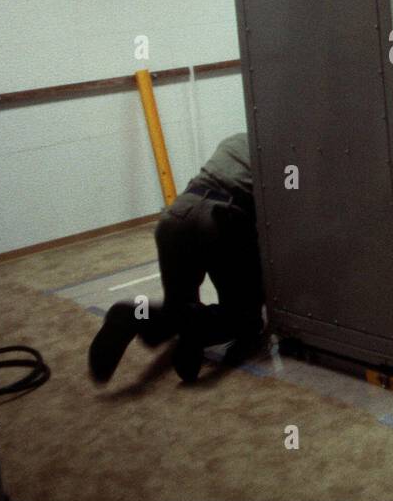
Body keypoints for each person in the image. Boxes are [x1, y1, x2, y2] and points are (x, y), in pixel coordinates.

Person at [89, 133, 264, 384]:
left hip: (176, 216)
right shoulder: (280, 154)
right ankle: (197, 328)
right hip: (222, 220)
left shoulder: (234, 140)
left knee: (176, 311)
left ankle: (133, 315)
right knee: (244, 320)